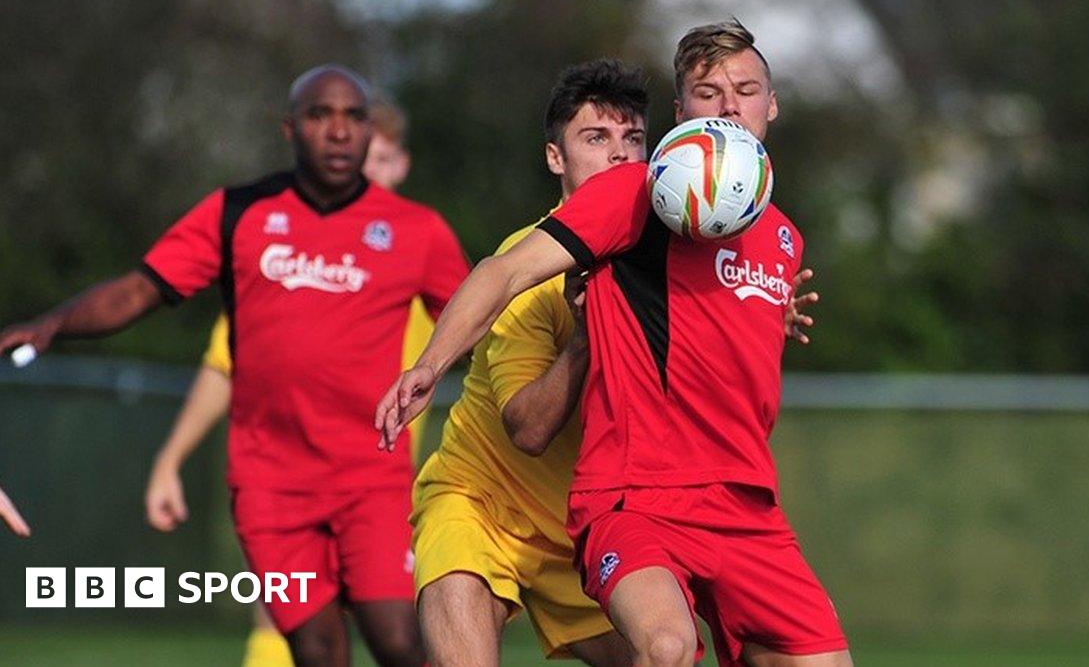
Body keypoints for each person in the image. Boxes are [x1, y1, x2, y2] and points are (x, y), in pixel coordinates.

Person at [376, 22, 849, 667]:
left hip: (658, 510)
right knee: (661, 647)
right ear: (684, 115)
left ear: (772, 104)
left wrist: (768, 309)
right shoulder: (632, 204)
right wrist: (432, 363)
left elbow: (702, 334)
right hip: (505, 502)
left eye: (747, 90)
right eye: (710, 93)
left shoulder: (779, 235)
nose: (731, 106)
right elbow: (525, 414)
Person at [0, 64, 471, 667]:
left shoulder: (415, 231)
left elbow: (476, 317)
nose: (338, 132)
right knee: (316, 650)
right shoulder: (238, 213)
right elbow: (141, 290)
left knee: (401, 642)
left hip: (371, 478)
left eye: (354, 117)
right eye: (319, 115)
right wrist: (53, 325)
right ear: (289, 128)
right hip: (270, 484)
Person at [141, 98, 435, 667]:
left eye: (379, 157)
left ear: (401, 164)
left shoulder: (420, 251)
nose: (364, 167)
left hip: (388, 495)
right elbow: (224, 366)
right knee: (286, 622)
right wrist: (169, 459)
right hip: (291, 482)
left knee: (403, 638)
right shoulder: (285, 253)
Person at [412, 59, 649, 667]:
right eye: (595, 138)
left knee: (665, 653)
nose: (618, 156)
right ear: (555, 158)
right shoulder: (528, 267)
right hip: (481, 502)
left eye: (633, 140)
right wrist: (585, 338)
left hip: (583, 531)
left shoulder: (664, 267)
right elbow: (529, 430)